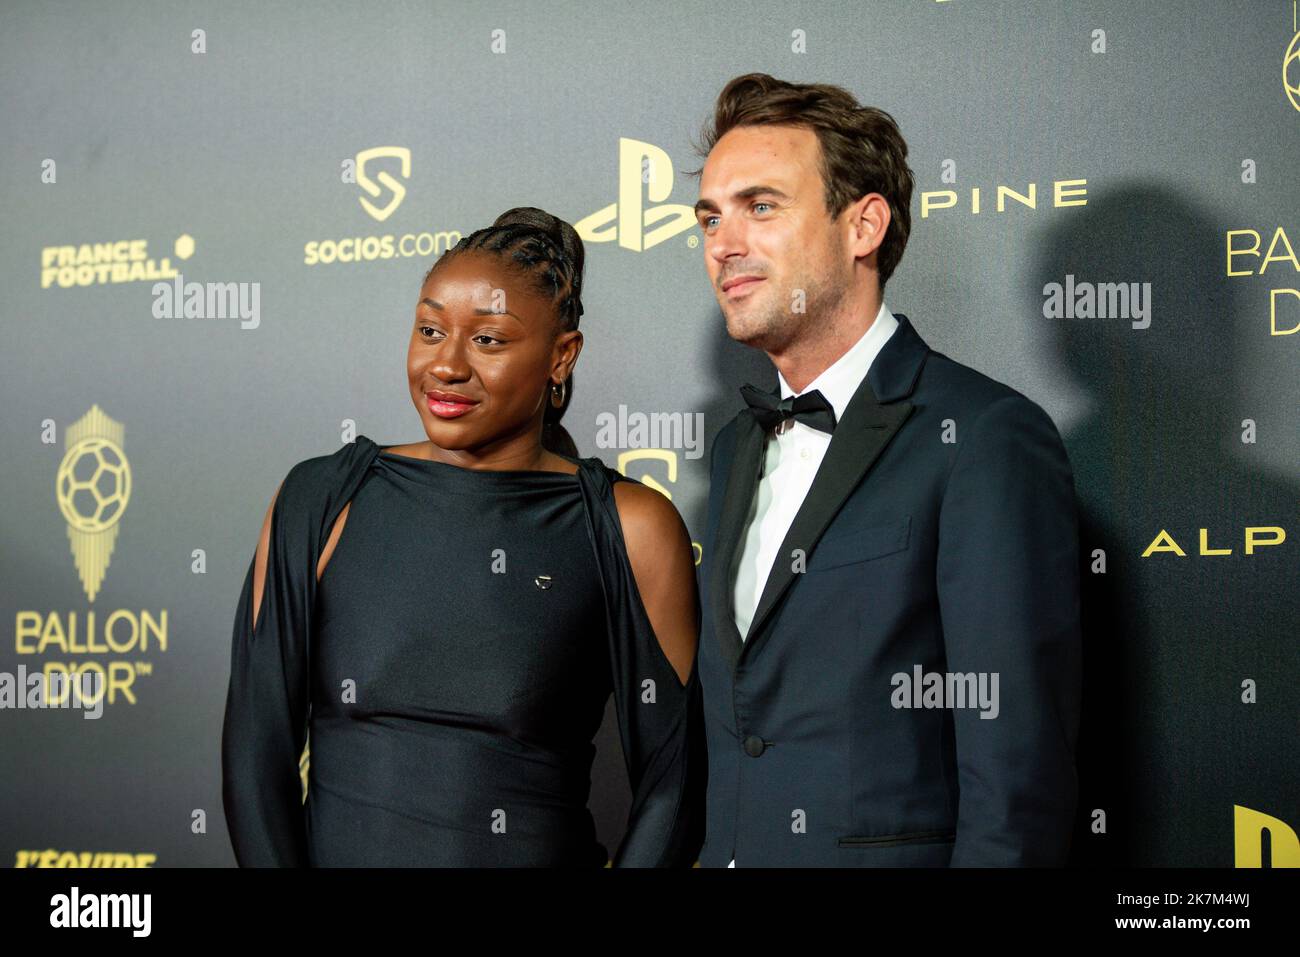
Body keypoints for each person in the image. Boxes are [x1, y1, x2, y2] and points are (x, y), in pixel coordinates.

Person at [221, 207, 704, 867]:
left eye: (488, 340)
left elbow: (673, 787)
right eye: (430, 330)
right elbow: (256, 759)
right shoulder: (321, 499)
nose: (446, 365)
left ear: (561, 356)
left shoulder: (629, 527)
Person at [690, 74, 1082, 866]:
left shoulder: (983, 436)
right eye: (710, 217)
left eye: (761, 206)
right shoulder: (735, 448)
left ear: (863, 224)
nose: (723, 243)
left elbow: (1015, 776)